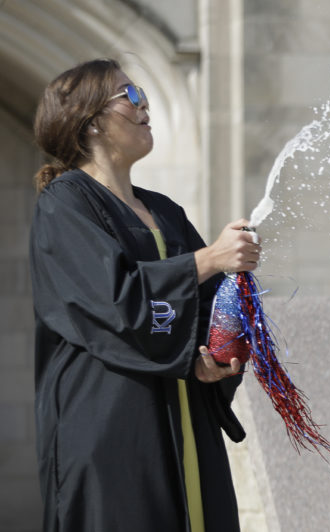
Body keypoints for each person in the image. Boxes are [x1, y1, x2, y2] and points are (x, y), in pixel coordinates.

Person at [30, 59, 262, 532]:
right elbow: (114, 302)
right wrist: (210, 259)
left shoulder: (164, 209)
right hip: (113, 426)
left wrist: (212, 355)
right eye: (130, 96)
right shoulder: (65, 202)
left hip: (188, 422)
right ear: (91, 121)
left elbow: (208, 305)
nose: (144, 106)